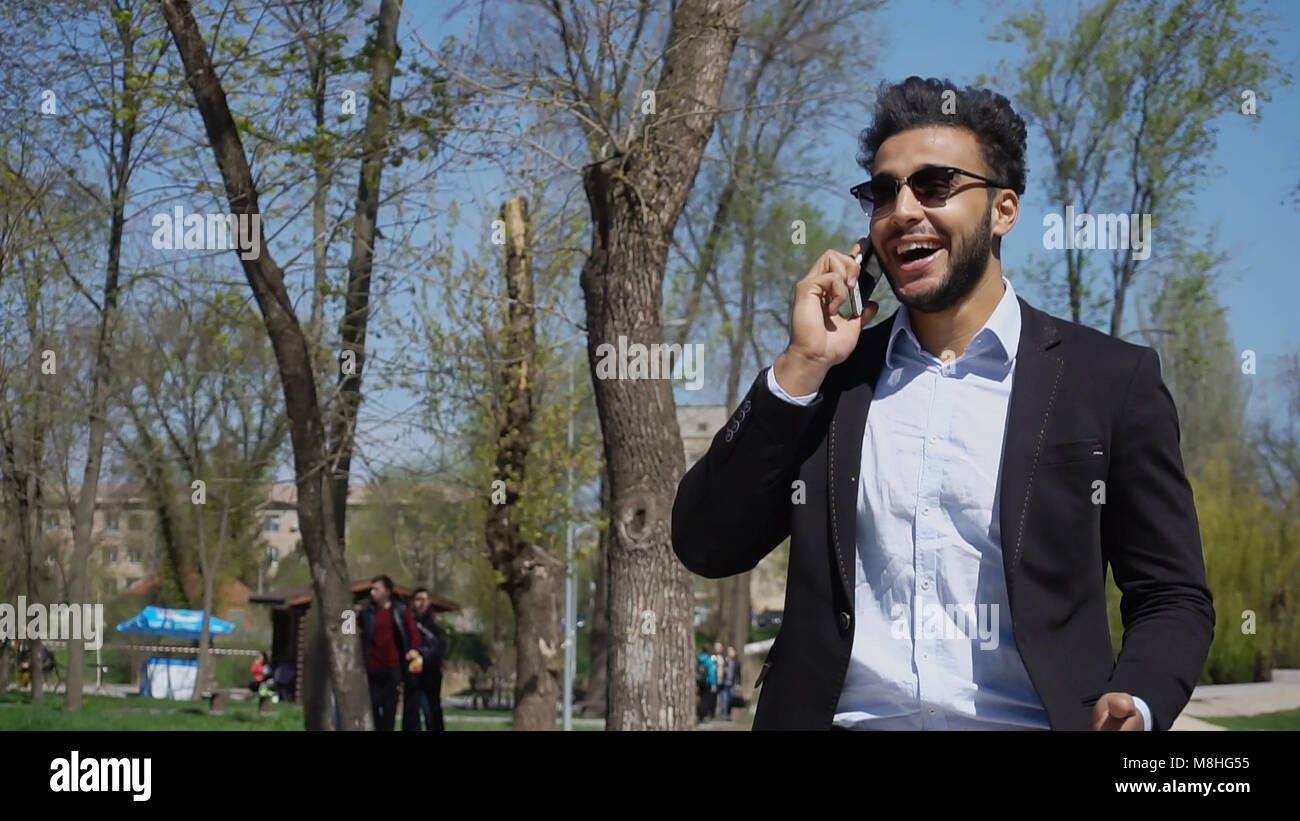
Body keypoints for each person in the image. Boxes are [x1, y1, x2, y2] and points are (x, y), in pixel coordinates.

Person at [672, 77, 1214, 731]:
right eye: (883, 191)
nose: (902, 210)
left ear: (1004, 211)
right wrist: (799, 366)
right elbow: (706, 542)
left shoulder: (1110, 380)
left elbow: (1172, 594)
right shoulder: (834, 383)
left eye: (934, 186)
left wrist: (1141, 694)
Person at [359, 575, 421, 731]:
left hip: (393, 667)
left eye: (376, 589)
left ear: (387, 591)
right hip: (373, 666)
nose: (372, 592)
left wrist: (413, 649)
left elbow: (413, 632)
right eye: (371, 589)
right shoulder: (367, 612)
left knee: (390, 707)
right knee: (373, 704)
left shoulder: (400, 611)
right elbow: (352, 631)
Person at [409, 587, 447, 731]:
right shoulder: (409, 620)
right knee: (413, 709)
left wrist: (421, 654)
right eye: (418, 599)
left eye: (424, 599)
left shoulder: (436, 621)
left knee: (432, 709)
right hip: (413, 670)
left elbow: (440, 646)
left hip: (431, 670)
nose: (421, 603)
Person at [695, 644, 717, 723]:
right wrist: (713, 684)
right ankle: (704, 716)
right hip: (707, 682)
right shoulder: (709, 660)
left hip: (699, 681)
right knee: (706, 699)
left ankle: (700, 716)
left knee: (701, 698)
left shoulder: (699, 659)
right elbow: (711, 673)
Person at [719, 646, 740, 721]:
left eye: (731, 651)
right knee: (725, 700)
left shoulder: (737, 662)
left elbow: (738, 674)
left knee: (731, 700)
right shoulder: (725, 661)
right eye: (728, 651)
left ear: (735, 652)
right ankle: (724, 715)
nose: (730, 652)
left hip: (732, 684)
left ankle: (728, 715)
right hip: (724, 684)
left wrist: (738, 684)